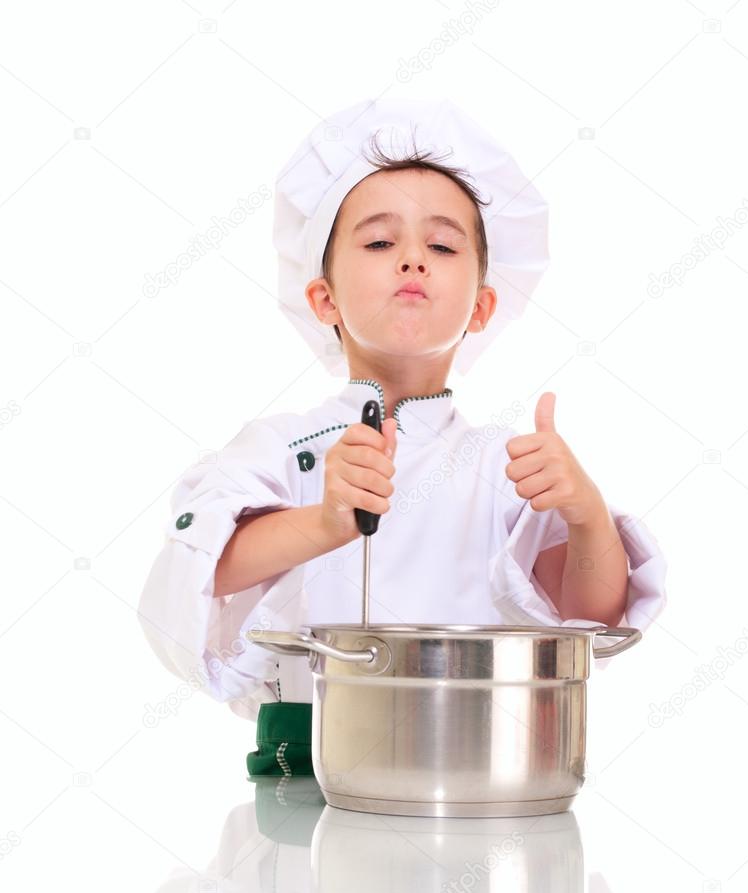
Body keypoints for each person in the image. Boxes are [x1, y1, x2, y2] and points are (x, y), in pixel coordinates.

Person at [137, 97, 667, 778]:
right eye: (380, 241)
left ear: (481, 305)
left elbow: (587, 615)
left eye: (442, 245)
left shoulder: (506, 465)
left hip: (476, 769)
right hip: (307, 765)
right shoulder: (275, 448)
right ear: (323, 297)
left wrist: (585, 513)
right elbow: (196, 577)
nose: (413, 259)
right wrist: (324, 521)